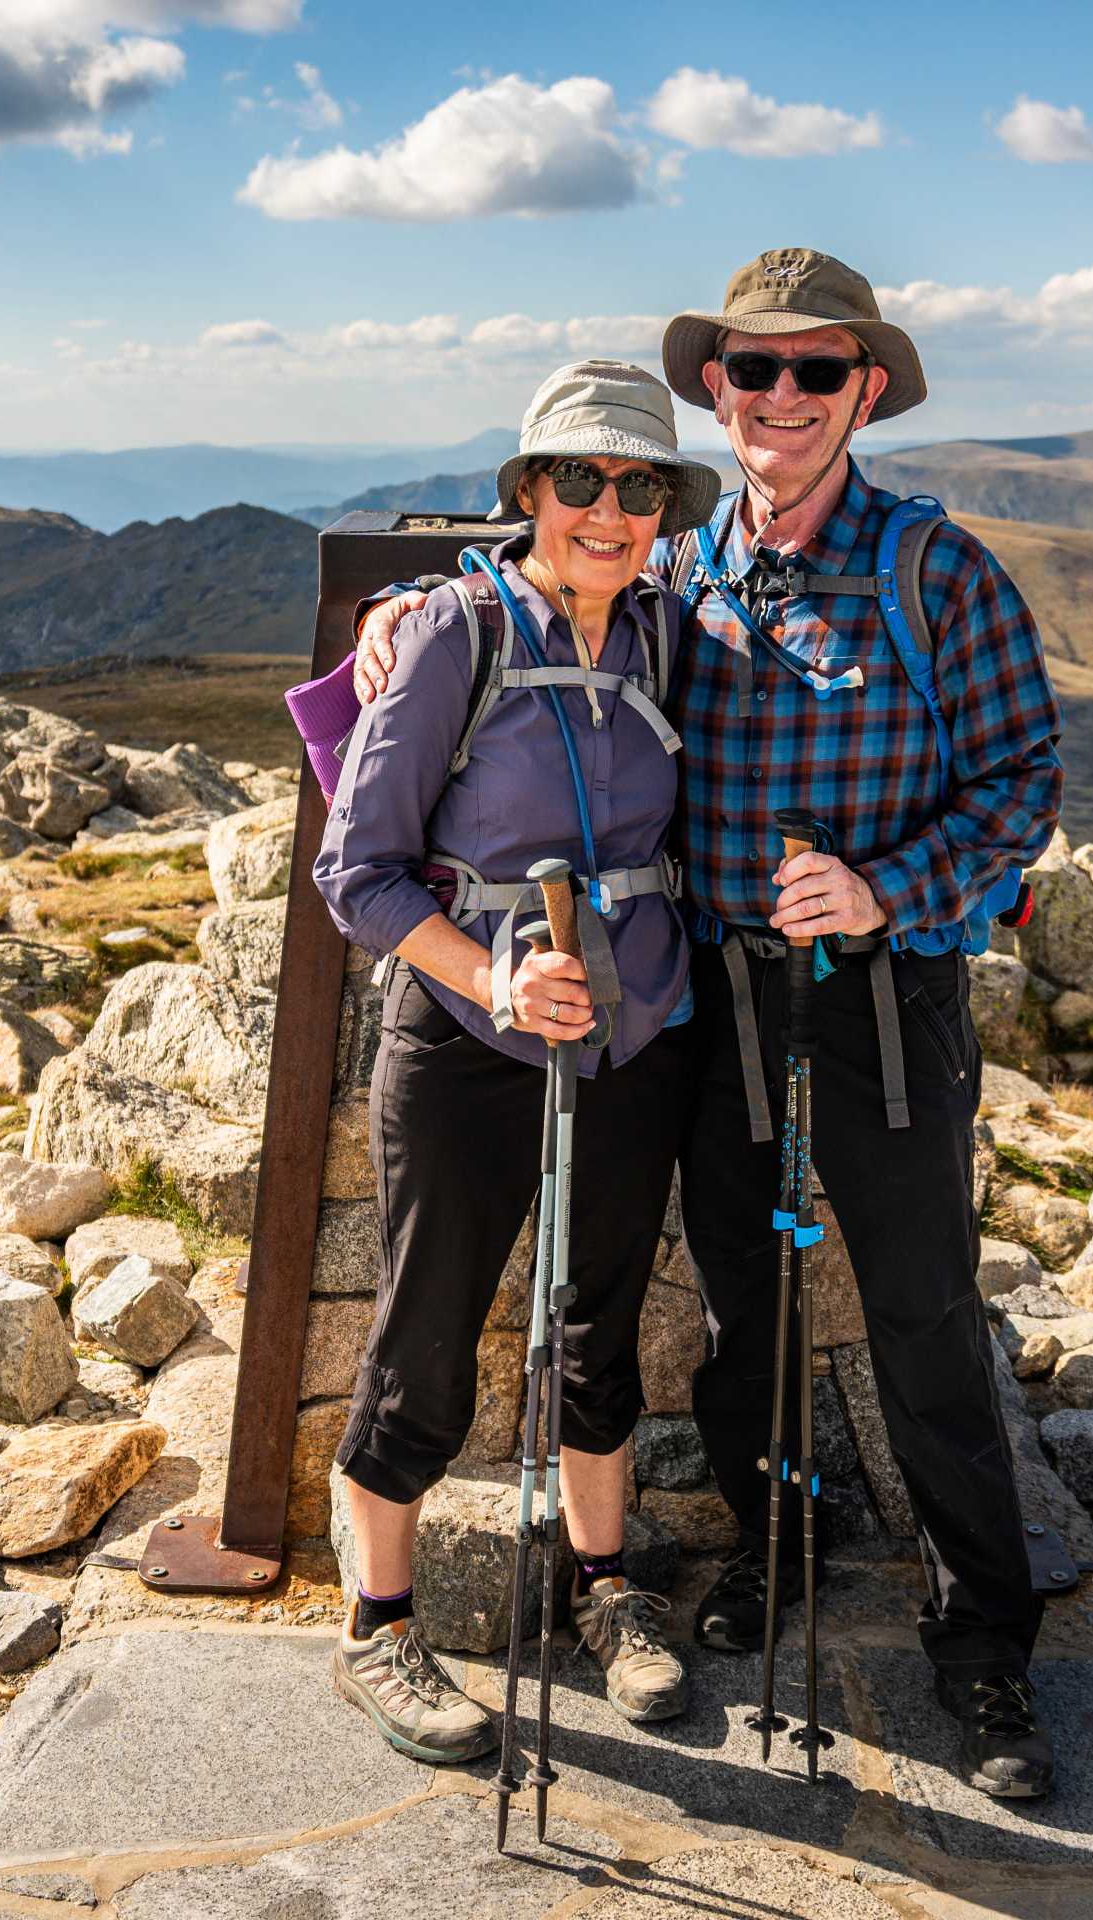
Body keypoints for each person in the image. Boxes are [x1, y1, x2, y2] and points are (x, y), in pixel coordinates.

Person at [357, 250, 1066, 1798]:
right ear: (718, 391)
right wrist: (413, 608)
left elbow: (1027, 782)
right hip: (717, 997)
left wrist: (886, 887)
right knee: (746, 1298)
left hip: (883, 997)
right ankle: (774, 1542)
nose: (783, 397)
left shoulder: (938, 573)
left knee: (922, 1306)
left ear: (865, 390)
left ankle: (984, 1640)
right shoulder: (682, 562)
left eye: (818, 370)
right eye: (756, 369)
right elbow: (553, 562)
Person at [314, 360, 722, 1765]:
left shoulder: (671, 630)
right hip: (469, 1037)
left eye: (640, 484)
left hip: (634, 1029)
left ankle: (608, 1591)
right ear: (532, 491)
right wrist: (490, 973)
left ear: (667, 507)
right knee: (428, 1322)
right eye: (581, 480)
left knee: (602, 1316)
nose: (610, 508)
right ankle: (377, 1626)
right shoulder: (451, 633)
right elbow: (357, 874)